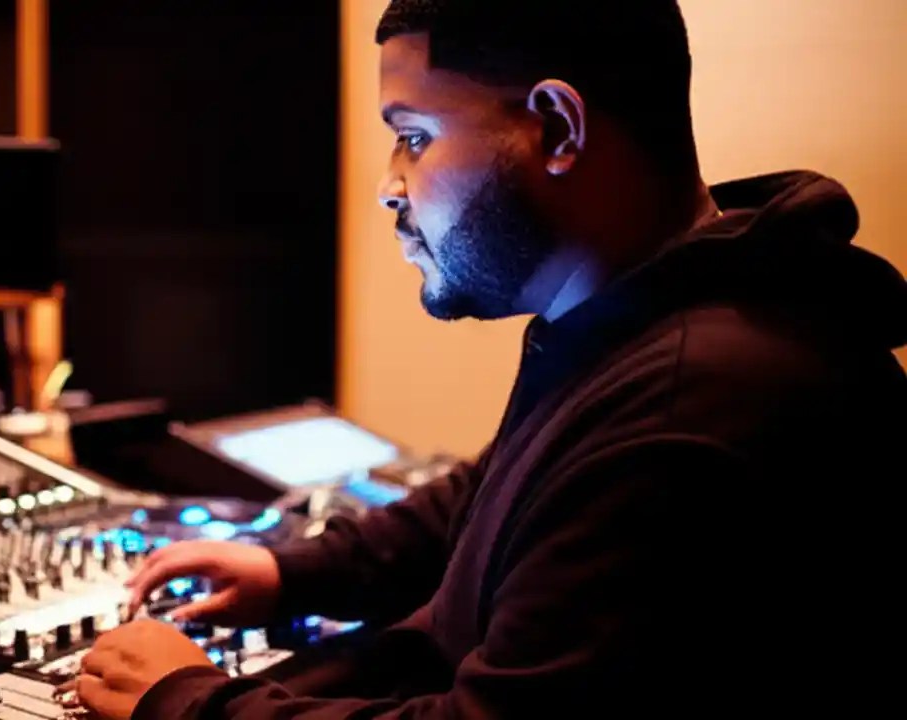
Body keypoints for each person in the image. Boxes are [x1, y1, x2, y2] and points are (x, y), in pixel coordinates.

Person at [69, 1, 907, 717]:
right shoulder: (656, 314)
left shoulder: (690, 414)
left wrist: (192, 701)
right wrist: (291, 571)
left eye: (415, 136)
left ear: (558, 128)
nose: (390, 186)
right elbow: (503, 490)